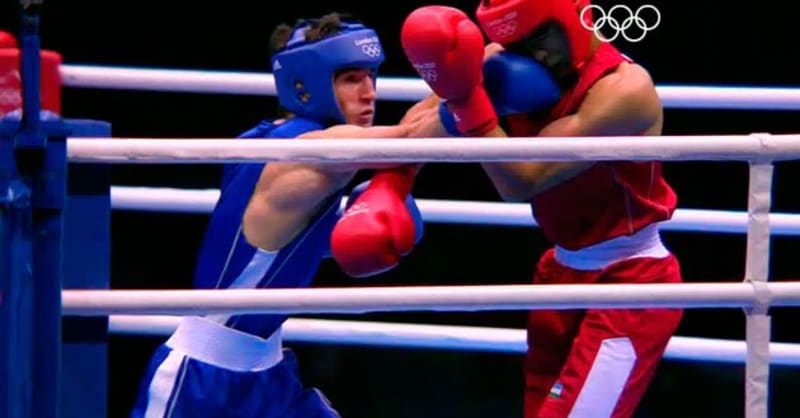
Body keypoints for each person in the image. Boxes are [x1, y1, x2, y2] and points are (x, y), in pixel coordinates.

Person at [395, 1, 684, 417]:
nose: (537, 57)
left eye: (540, 39)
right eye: (517, 44)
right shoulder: (506, 64)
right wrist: (391, 183)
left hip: (631, 281)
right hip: (559, 274)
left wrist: (469, 105)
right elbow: (413, 129)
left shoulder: (624, 90)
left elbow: (524, 180)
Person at [130, 12, 425, 418]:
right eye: (351, 79)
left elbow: (286, 251)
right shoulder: (304, 153)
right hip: (202, 381)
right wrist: (475, 83)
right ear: (307, 85)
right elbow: (409, 140)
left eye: (371, 76)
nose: (370, 93)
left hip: (268, 373)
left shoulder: (270, 140)